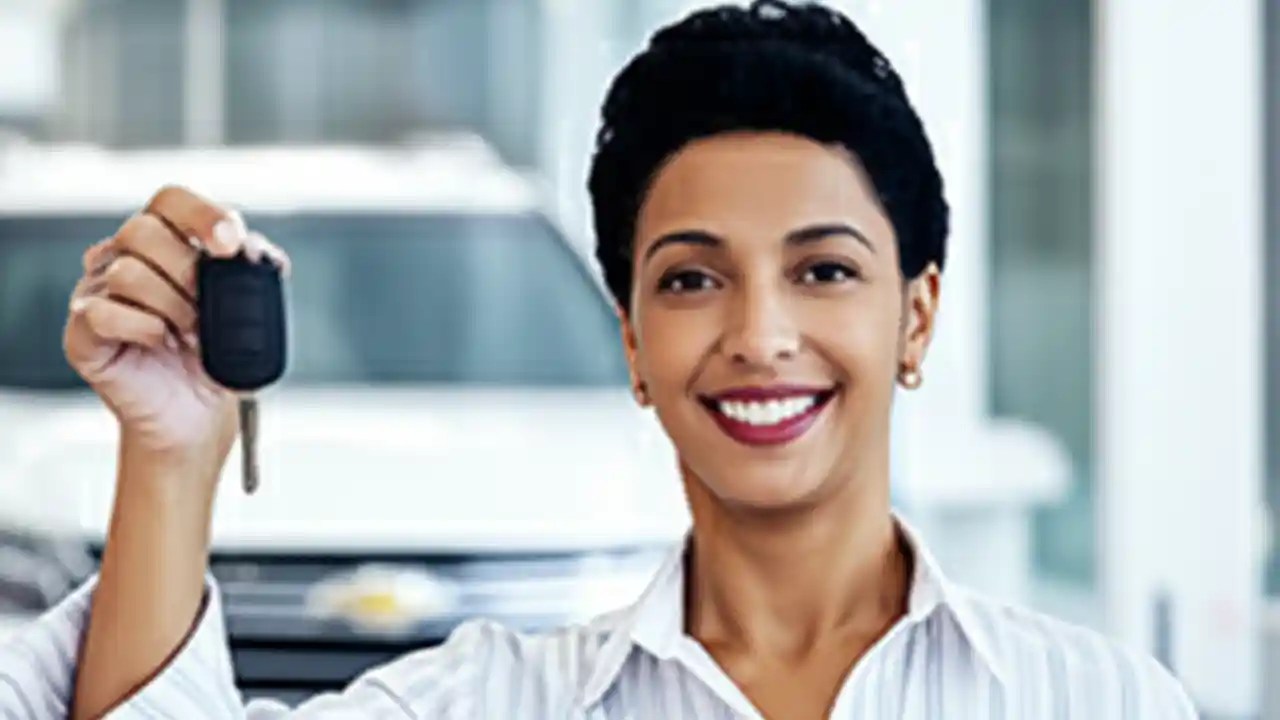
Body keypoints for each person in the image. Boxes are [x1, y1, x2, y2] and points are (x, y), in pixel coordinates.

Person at [0, 1, 1197, 718]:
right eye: (689, 278)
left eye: (822, 269)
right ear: (631, 338)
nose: (758, 332)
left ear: (916, 318)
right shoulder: (491, 700)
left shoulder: (1097, 700)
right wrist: (171, 452)